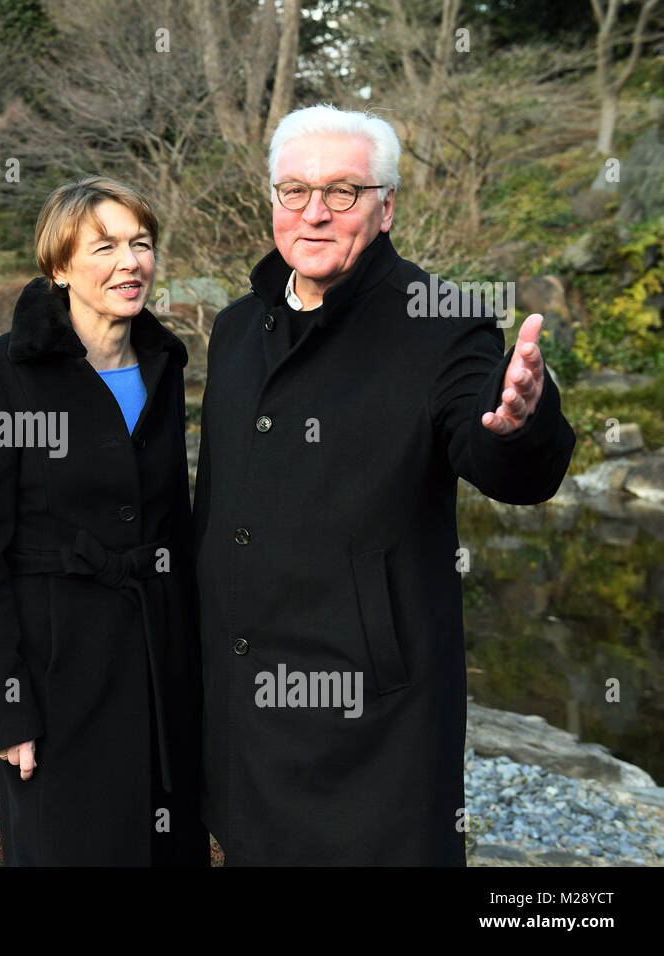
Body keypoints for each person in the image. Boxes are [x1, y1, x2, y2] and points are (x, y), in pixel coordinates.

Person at [192, 105, 575, 865]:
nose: (314, 213)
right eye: (294, 190)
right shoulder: (237, 327)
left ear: (387, 205)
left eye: (343, 192)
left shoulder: (441, 323)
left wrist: (520, 422)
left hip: (370, 720)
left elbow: (495, 450)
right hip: (243, 702)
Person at [0, 176, 208, 866]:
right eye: (106, 247)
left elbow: (175, 528)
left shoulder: (162, 365)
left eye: (141, 244)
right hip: (55, 678)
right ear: (60, 266)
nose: (131, 263)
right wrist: (4, 712)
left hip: (157, 664)